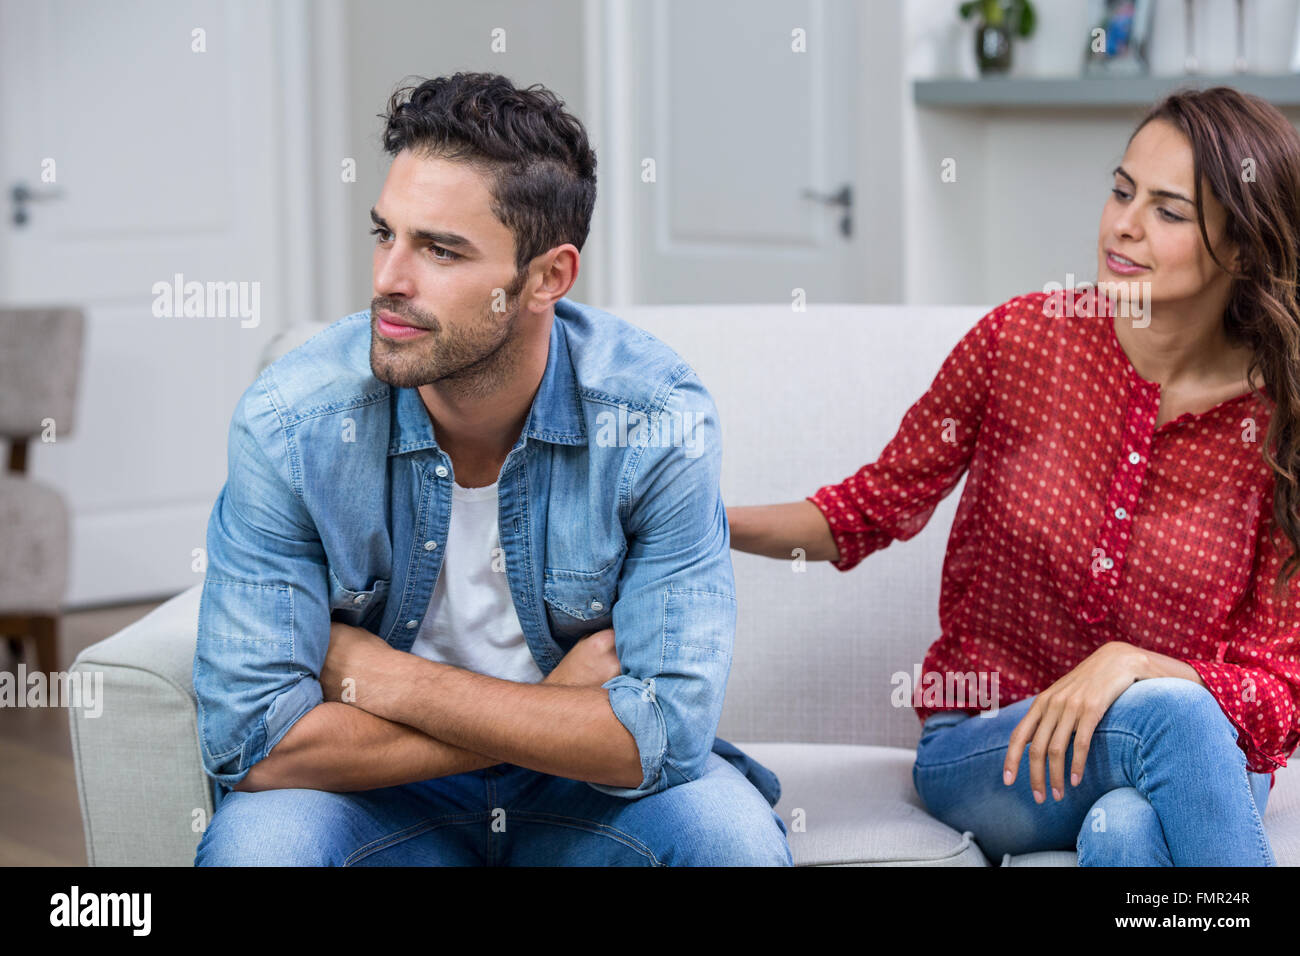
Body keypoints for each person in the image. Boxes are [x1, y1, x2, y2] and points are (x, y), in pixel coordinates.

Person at [193, 72, 790, 866]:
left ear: (547, 278)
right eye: (385, 235)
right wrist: (554, 712)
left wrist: (397, 683)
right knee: (258, 854)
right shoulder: (292, 424)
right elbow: (252, 744)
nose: (388, 281)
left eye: (439, 250)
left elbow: (665, 739)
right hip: (371, 794)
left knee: (731, 843)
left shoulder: (655, 419)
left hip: (584, 791)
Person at [728, 86, 1300, 866]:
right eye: (1121, 190)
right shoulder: (1024, 342)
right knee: (1175, 718)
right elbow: (867, 510)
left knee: (1126, 829)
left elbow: (1278, 696)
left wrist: (1134, 665)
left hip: (1192, 752)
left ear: (1239, 248)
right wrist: (701, 518)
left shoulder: (1281, 425)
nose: (1123, 225)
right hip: (993, 748)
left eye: (1168, 211)